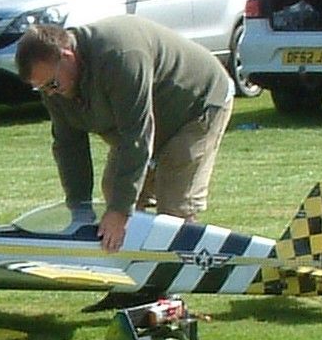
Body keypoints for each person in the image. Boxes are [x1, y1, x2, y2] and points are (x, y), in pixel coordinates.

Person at [13, 14, 234, 252]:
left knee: (173, 202)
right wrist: (80, 211)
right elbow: (69, 146)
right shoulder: (55, 87)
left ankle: (169, 284)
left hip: (196, 105)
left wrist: (120, 212)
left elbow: (136, 137)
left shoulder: (120, 56)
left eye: (52, 85)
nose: (50, 93)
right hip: (144, 117)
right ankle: (132, 278)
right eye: (41, 88)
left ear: (67, 56)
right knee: (114, 189)